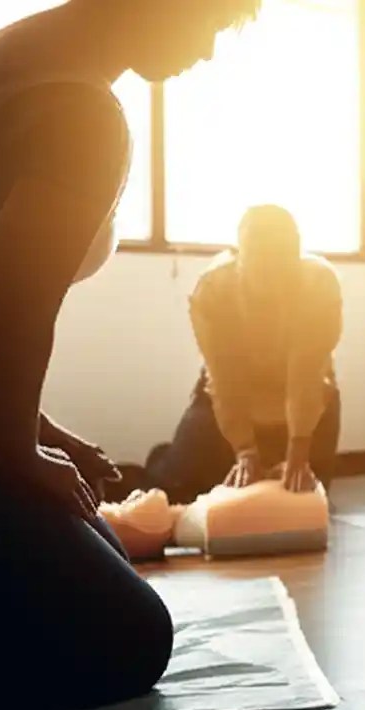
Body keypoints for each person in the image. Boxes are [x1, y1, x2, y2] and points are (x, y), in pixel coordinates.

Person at [0, 0, 261, 710]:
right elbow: (7, 315)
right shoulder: (79, 112)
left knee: (99, 542)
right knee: (129, 637)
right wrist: (14, 450)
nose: (210, 53)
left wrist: (37, 432)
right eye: (212, 27)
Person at [143, 204, 343, 504]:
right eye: (260, 263)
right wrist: (245, 450)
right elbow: (225, 379)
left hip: (305, 405)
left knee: (302, 498)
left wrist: (300, 450)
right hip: (233, 401)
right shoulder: (213, 289)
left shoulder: (319, 285)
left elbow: (307, 372)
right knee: (179, 486)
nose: (271, 279)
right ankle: (166, 457)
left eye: (280, 264)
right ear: (240, 256)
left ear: (296, 256)